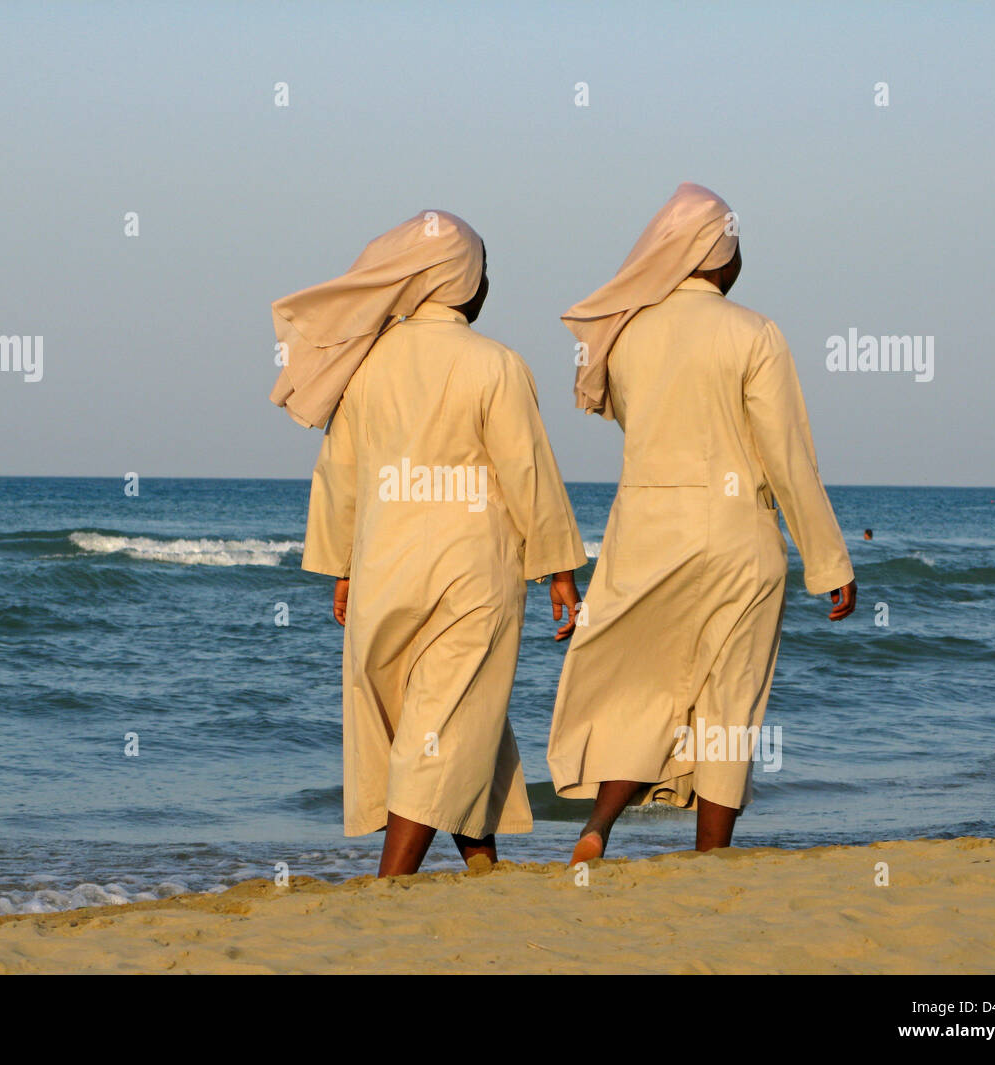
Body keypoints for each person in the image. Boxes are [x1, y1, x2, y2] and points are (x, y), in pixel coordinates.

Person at [547, 183, 857, 863]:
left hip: (646, 534)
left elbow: (643, 425)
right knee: (729, 706)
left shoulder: (625, 335)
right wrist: (828, 560)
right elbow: (787, 457)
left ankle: (598, 827)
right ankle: (709, 858)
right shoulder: (755, 332)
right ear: (719, 258)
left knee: (641, 689)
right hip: (736, 536)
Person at [271, 210, 587, 876]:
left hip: (385, 563)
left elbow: (340, 473)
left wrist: (342, 567)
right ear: (464, 283)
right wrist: (557, 565)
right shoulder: (495, 364)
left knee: (454, 719)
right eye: (483, 270)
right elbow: (526, 469)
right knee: (447, 717)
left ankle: (483, 869)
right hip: (473, 570)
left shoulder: (365, 366)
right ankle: (391, 883)